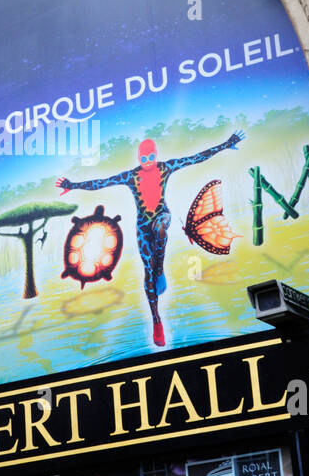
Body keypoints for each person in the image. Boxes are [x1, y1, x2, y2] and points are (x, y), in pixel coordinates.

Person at [56, 130, 243, 346]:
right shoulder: (131, 176)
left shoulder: (166, 167)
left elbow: (195, 158)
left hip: (162, 216)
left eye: (150, 158)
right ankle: (156, 319)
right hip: (143, 225)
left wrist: (225, 145)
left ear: (155, 155)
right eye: (143, 159)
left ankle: (160, 267)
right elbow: (102, 182)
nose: (147, 162)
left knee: (161, 227)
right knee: (148, 269)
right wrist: (73, 185)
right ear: (138, 159)